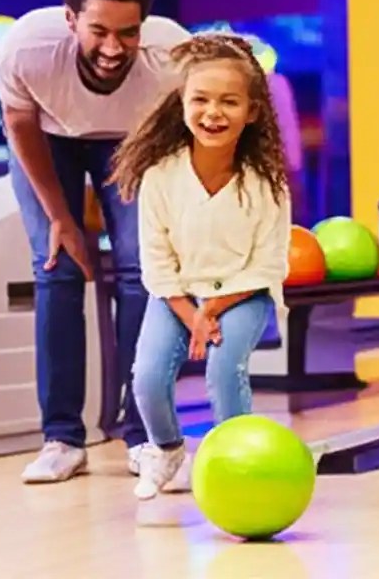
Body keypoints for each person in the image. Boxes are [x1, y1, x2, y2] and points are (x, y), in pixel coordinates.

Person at [0, 0, 191, 484]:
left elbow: (183, 137)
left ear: (144, 26)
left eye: (128, 32)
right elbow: (21, 127)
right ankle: (62, 438)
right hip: (49, 139)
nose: (113, 47)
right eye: (98, 30)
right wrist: (61, 217)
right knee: (56, 269)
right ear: (70, 18)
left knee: (140, 272)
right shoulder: (26, 49)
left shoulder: (171, 56)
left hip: (130, 143)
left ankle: (142, 433)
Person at [107, 33, 291, 499]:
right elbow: (155, 260)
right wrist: (191, 312)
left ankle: (237, 461)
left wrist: (214, 309)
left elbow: (268, 263)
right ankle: (167, 450)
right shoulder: (161, 176)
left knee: (224, 368)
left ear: (251, 112)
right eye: (201, 100)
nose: (213, 113)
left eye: (229, 102)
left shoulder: (265, 183)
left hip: (242, 293)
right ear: (182, 103)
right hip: (175, 295)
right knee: (147, 378)